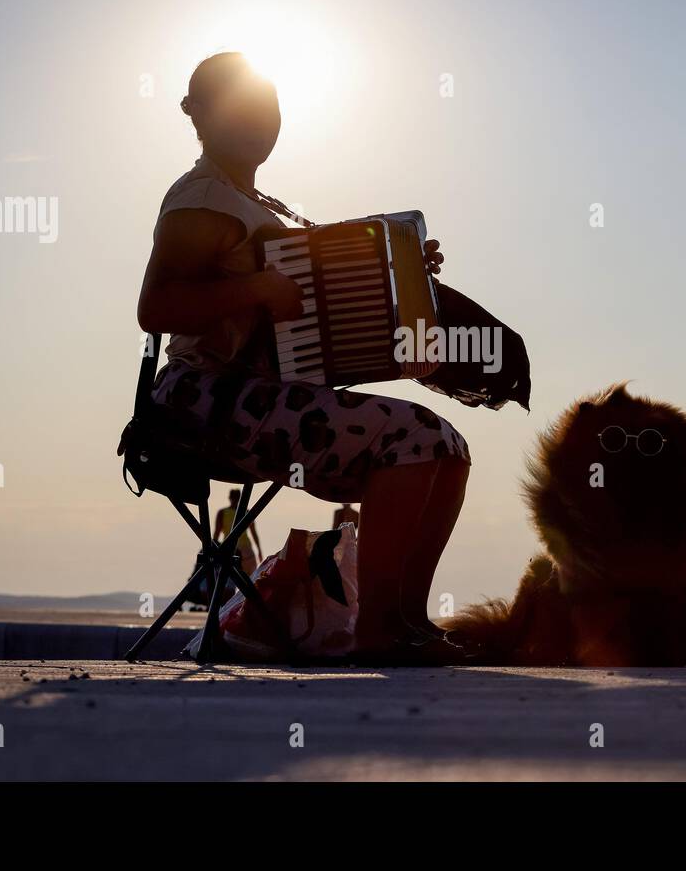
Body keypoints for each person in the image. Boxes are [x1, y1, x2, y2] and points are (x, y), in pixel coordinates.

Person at [137, 53, 472, 662]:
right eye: (242, 108)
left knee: (447, 447)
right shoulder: (200, 201)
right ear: (199, 116)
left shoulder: (255, 201)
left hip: (263, 393)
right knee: (413, 437)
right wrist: (256, 290)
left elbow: (310, 310)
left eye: (269, 109)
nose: (261, 122)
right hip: (202, 398)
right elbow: (156, 311)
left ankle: (406, 622)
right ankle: (377, 631)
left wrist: (403, 276)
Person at [214, 488, 262, 572]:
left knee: (228, 580)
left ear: (229, 498)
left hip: (230, 549)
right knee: (250, 580)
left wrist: (214, 550)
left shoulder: (222, 512)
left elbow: (217, 533)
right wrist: (259, 550)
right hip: (244, 550)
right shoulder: (245, 512)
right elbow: (254, 533)